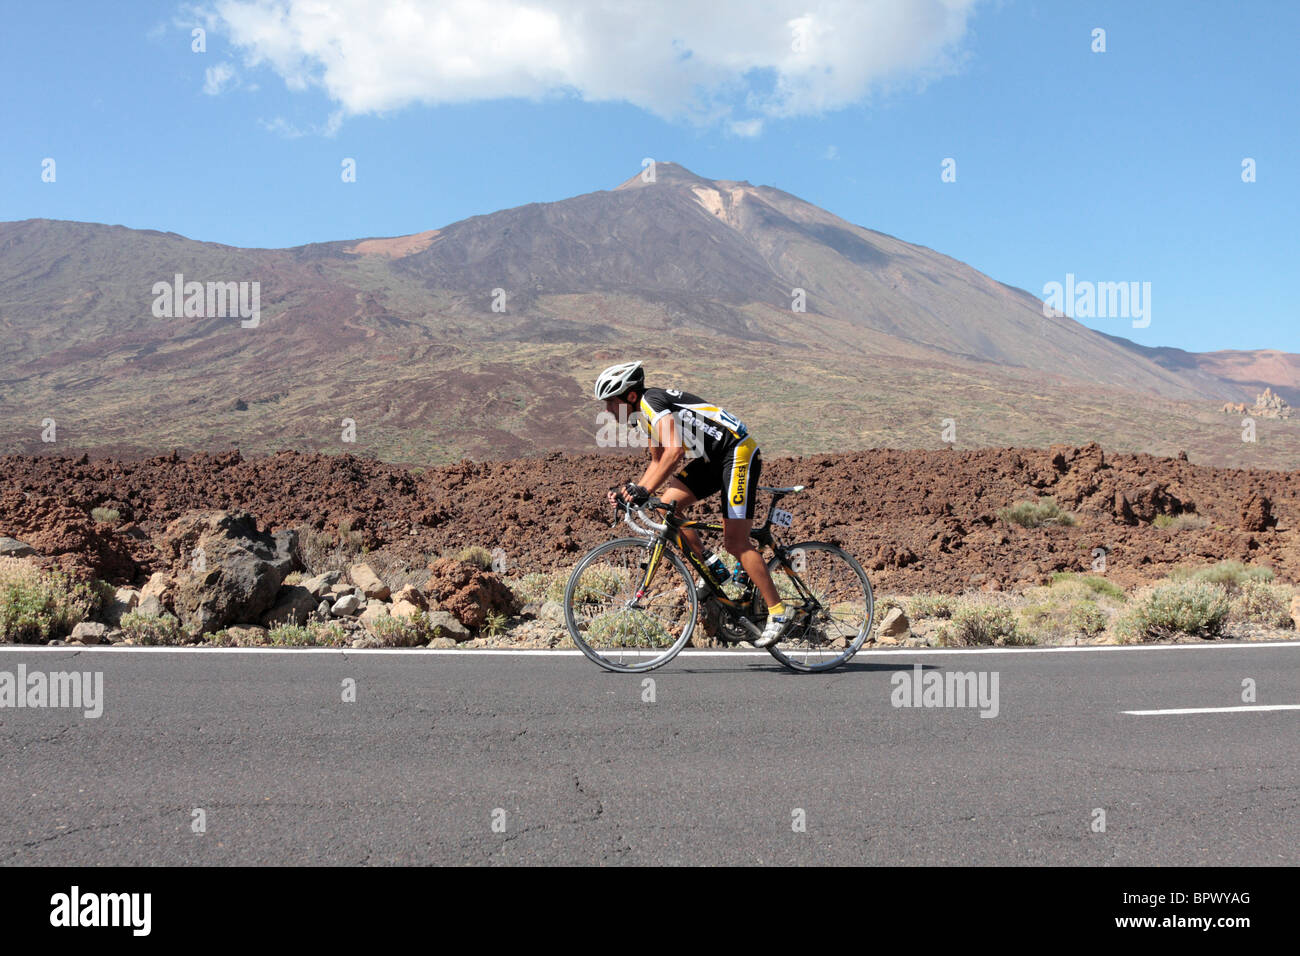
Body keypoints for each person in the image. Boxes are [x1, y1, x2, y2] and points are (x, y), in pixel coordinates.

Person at [594, 360, 792, 647]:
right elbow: (657, 460)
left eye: (611, 403)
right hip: (712, 459)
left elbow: (674, 452)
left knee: (735, 543)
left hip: (736, 452)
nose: (608, 411)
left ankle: (778, 612)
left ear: (630, 396)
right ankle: (713, 568)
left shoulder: (651, 402)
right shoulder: (643, 416)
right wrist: (633, 492)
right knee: (666, 506)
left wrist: (643, 489)